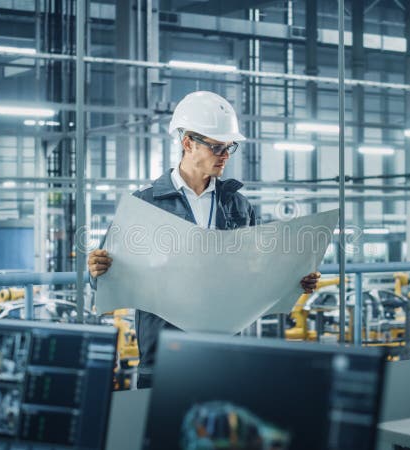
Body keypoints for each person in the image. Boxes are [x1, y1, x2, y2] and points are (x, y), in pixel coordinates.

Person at [88, 91, 320, 388]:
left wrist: (293, 280)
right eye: (217, 147)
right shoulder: (144, 205)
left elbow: (257, 273)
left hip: (222, 352)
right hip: (163, 357)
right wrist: (95, 270)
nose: (225, 155)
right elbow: (103, 281)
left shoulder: (237, 205)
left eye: (229, 147)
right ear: (188, 143)